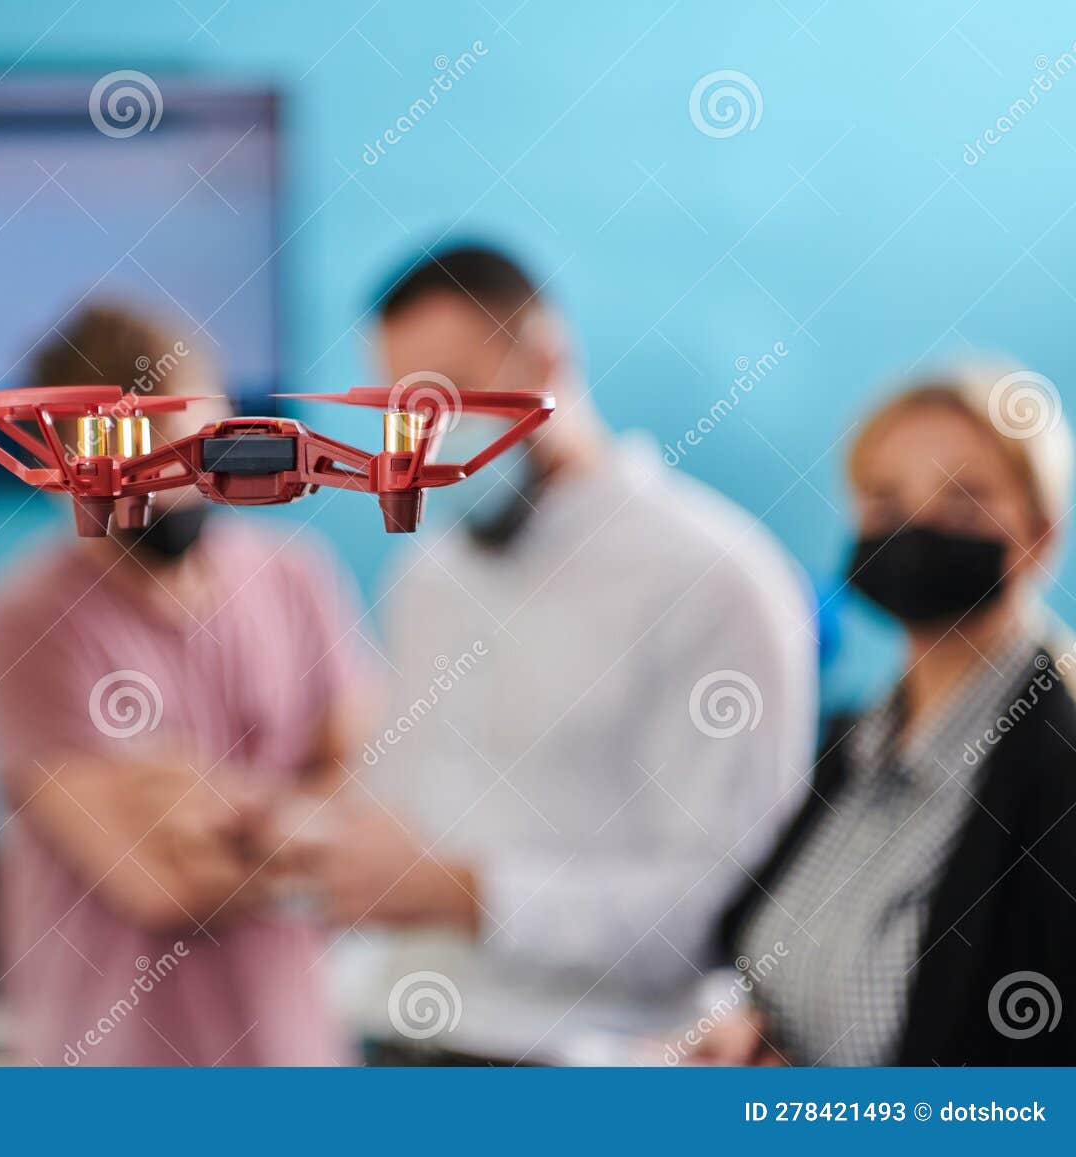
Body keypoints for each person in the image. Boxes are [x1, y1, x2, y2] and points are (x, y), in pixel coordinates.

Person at [278, 244, 818, 1064]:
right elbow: (408, 799)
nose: (426, 438)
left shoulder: (715, 581)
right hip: (392, 1033)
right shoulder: (428, 575)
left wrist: (466, 895)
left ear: (547, 357)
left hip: (586, 1062)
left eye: (449, 395)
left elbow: (724, 903)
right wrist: (302, 831)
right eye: (401, 412)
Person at [0, 303, 372, 1066]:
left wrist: (212, 810)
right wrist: (297, 825)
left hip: (295, 1055)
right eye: (143, 462)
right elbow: (155, 884)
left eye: (196, 447)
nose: (176, 485)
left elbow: (372, 804)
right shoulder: (26, 620)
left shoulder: (299, 579)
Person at [704, 364, 1076, 1065]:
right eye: (884, 502)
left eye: (965, 503)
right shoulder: (847, 742)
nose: (917, 527)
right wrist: (749, 1034)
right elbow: (753, 959)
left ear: (1038, 535)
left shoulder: (1059, 771)